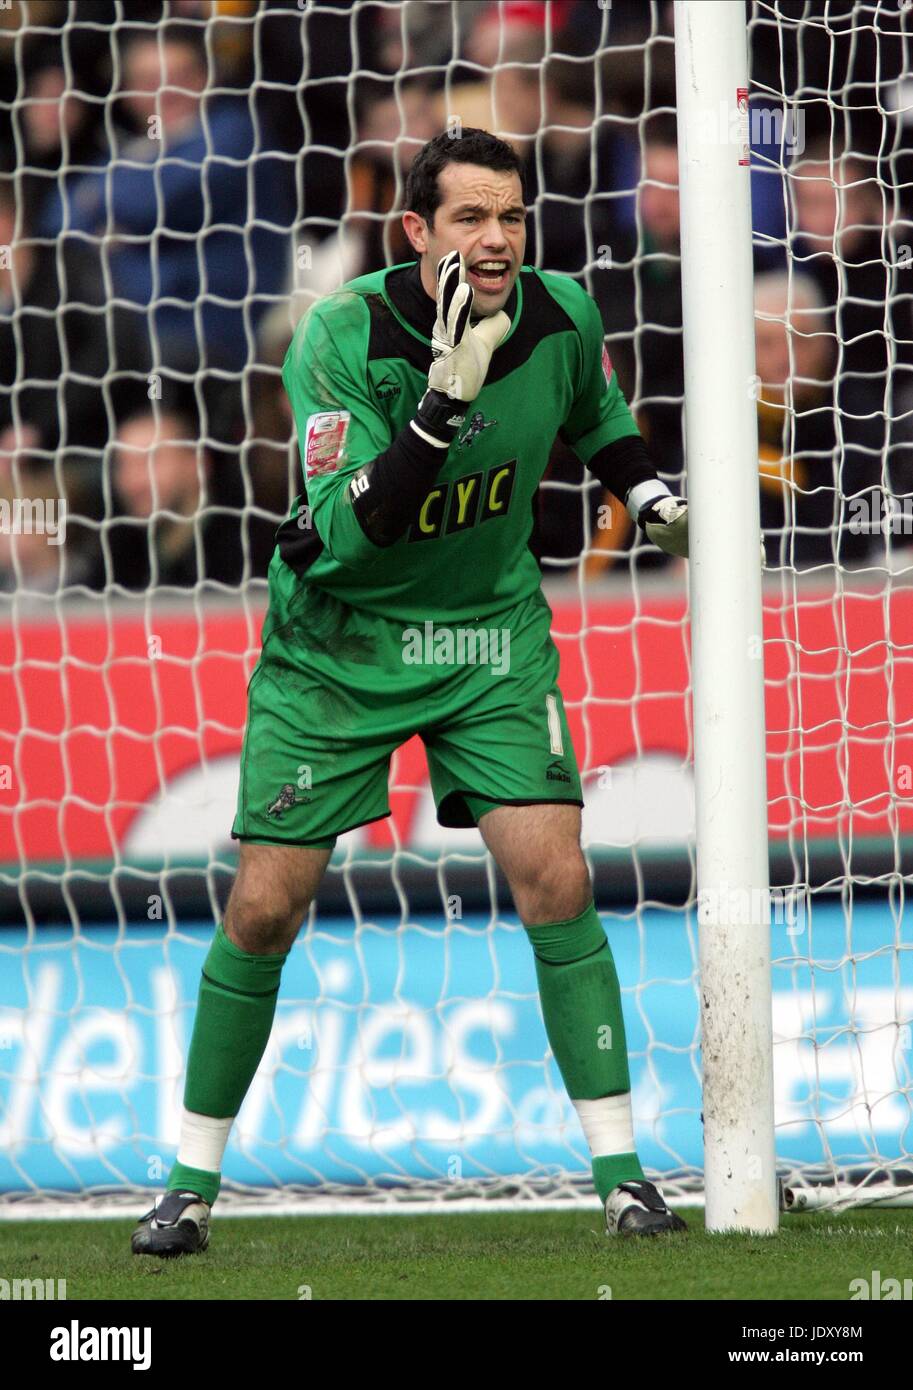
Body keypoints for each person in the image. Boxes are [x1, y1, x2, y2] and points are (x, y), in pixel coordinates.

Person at [131, 128, 689, 1257]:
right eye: (471, 218)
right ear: (417, 232)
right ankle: (188, 1186)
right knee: (265, 906)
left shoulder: (561, 312)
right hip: (337, 650)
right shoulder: (341, 339)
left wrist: (649, 489)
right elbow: (357, 524)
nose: (496, 241)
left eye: (512, 217)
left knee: (556, 875)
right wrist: (441, 402)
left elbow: (593, 416)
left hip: (486, 635)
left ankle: (627, 1180)